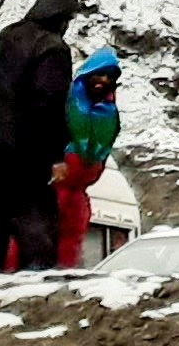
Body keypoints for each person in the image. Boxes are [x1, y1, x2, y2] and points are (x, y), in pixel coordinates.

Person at [0, 0, 82, 272]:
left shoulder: (8, 35)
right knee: (37, 237)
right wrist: (57, 157)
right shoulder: (53, 48)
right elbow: (49, 107)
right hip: (28, 151)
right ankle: (33, 299)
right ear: (61, 17)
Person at [51, 48, 125, 268]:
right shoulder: (67, 101)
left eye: (109, 76)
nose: (103, 80)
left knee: (72, 239)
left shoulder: (109, 110)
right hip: (55, 185)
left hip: (79, 187)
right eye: (99, 73)